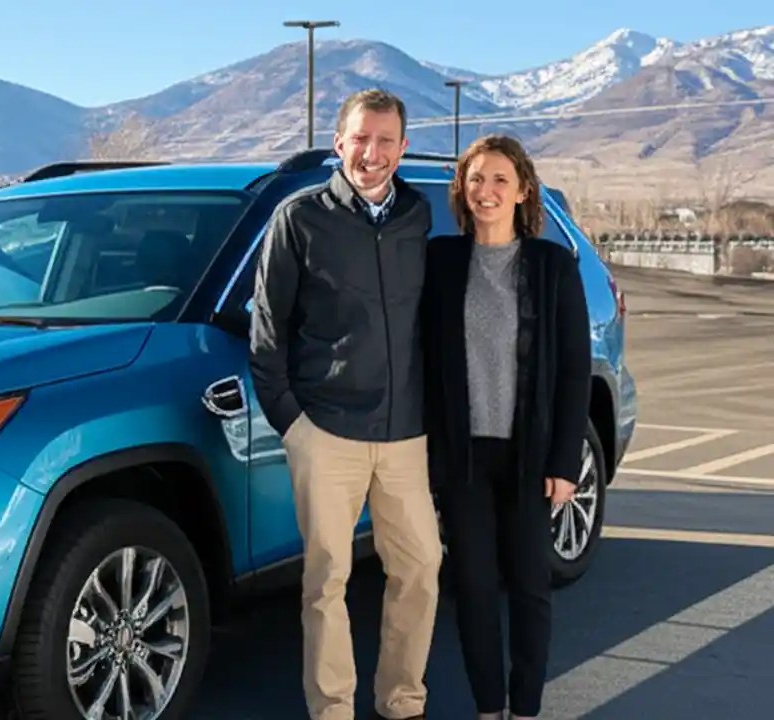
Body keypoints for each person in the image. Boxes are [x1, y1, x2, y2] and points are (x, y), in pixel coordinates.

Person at [250, 88, 441, 720]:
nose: (373, 152)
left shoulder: (418, 216)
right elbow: (268, 334)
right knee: (325, 581)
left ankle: (402, 702)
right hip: (326, 431)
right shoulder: (299, 219)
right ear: (339, 143)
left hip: (406, 432)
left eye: (386, 140)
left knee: (420, 570)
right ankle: (333, 709)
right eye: (361, 138)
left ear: (403, 148)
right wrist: (294, 426)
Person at [421, 134, 590, 720]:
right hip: (463, 458)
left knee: (529, 587)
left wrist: (565, 464)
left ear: (522, 190)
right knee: (471, 588)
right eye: (475, 180)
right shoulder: (440, 262)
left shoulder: (551, 266)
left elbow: (573, 371)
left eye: (499, 180)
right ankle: (489, 708)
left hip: (531, 458)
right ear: (462, 192)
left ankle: (526, 709)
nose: (486, 191)